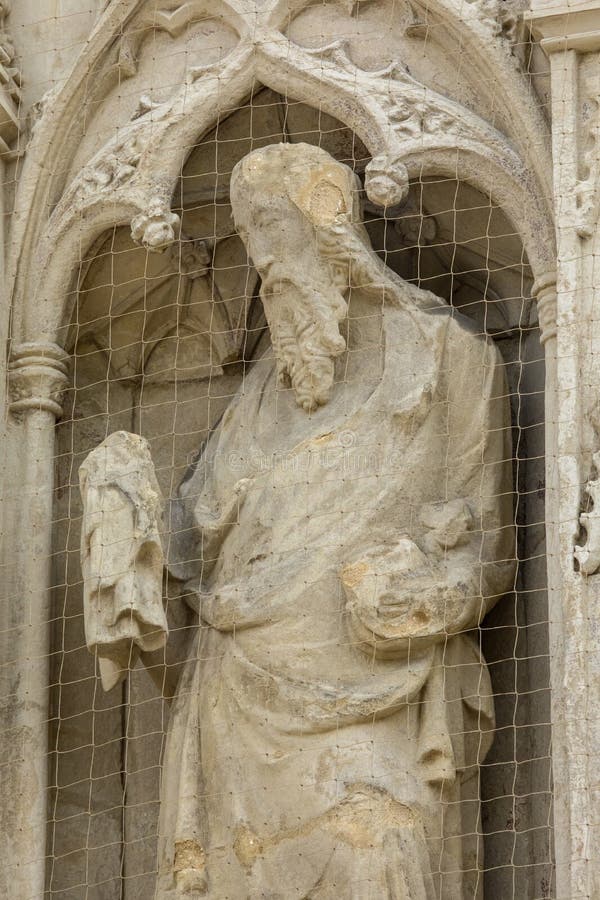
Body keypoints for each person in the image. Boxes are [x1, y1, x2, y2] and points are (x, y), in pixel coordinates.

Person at [85, 142, 514, 898]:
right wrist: (124, 529)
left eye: (271, 232)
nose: (264, 265)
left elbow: (487, 548)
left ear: (328, 218)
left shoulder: (451, 359)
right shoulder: (259, 395)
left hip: (379, 684)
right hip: (236, 701)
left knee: (380, 850)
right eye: (250, 241)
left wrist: (417, 595)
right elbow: (193, 556)